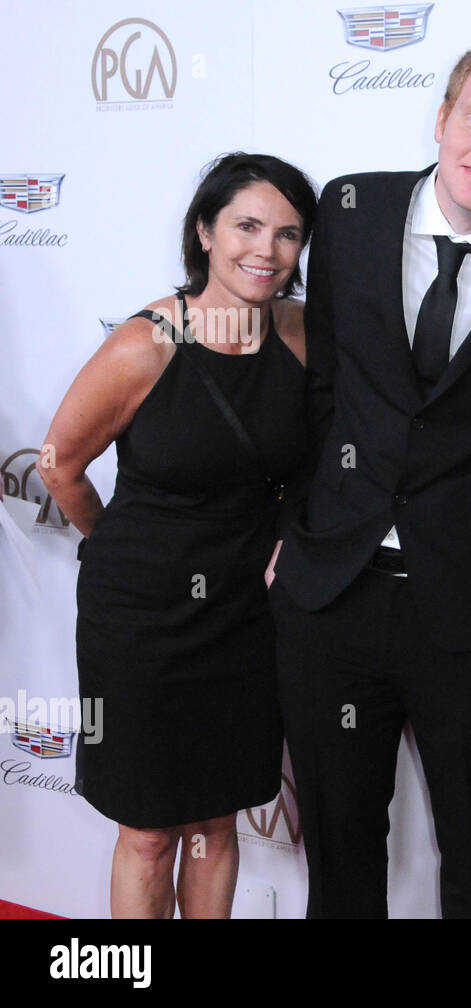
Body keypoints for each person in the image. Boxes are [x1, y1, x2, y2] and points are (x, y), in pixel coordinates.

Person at [267, 41, 471, 918]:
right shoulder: (352, 210)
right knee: (339, 851)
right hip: (334, 590)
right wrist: (290, 526)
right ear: (443, 115)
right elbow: (323, 385)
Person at [41, 152, 317, 918]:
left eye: (288, 234)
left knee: (216, 822)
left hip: (243, 617)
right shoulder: (146, 344)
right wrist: (112, 545)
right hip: (141, 621)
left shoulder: (298, 335)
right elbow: (60, 464)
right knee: (152, 831)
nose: (265, 250)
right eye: (247, 226)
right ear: (205, 231)